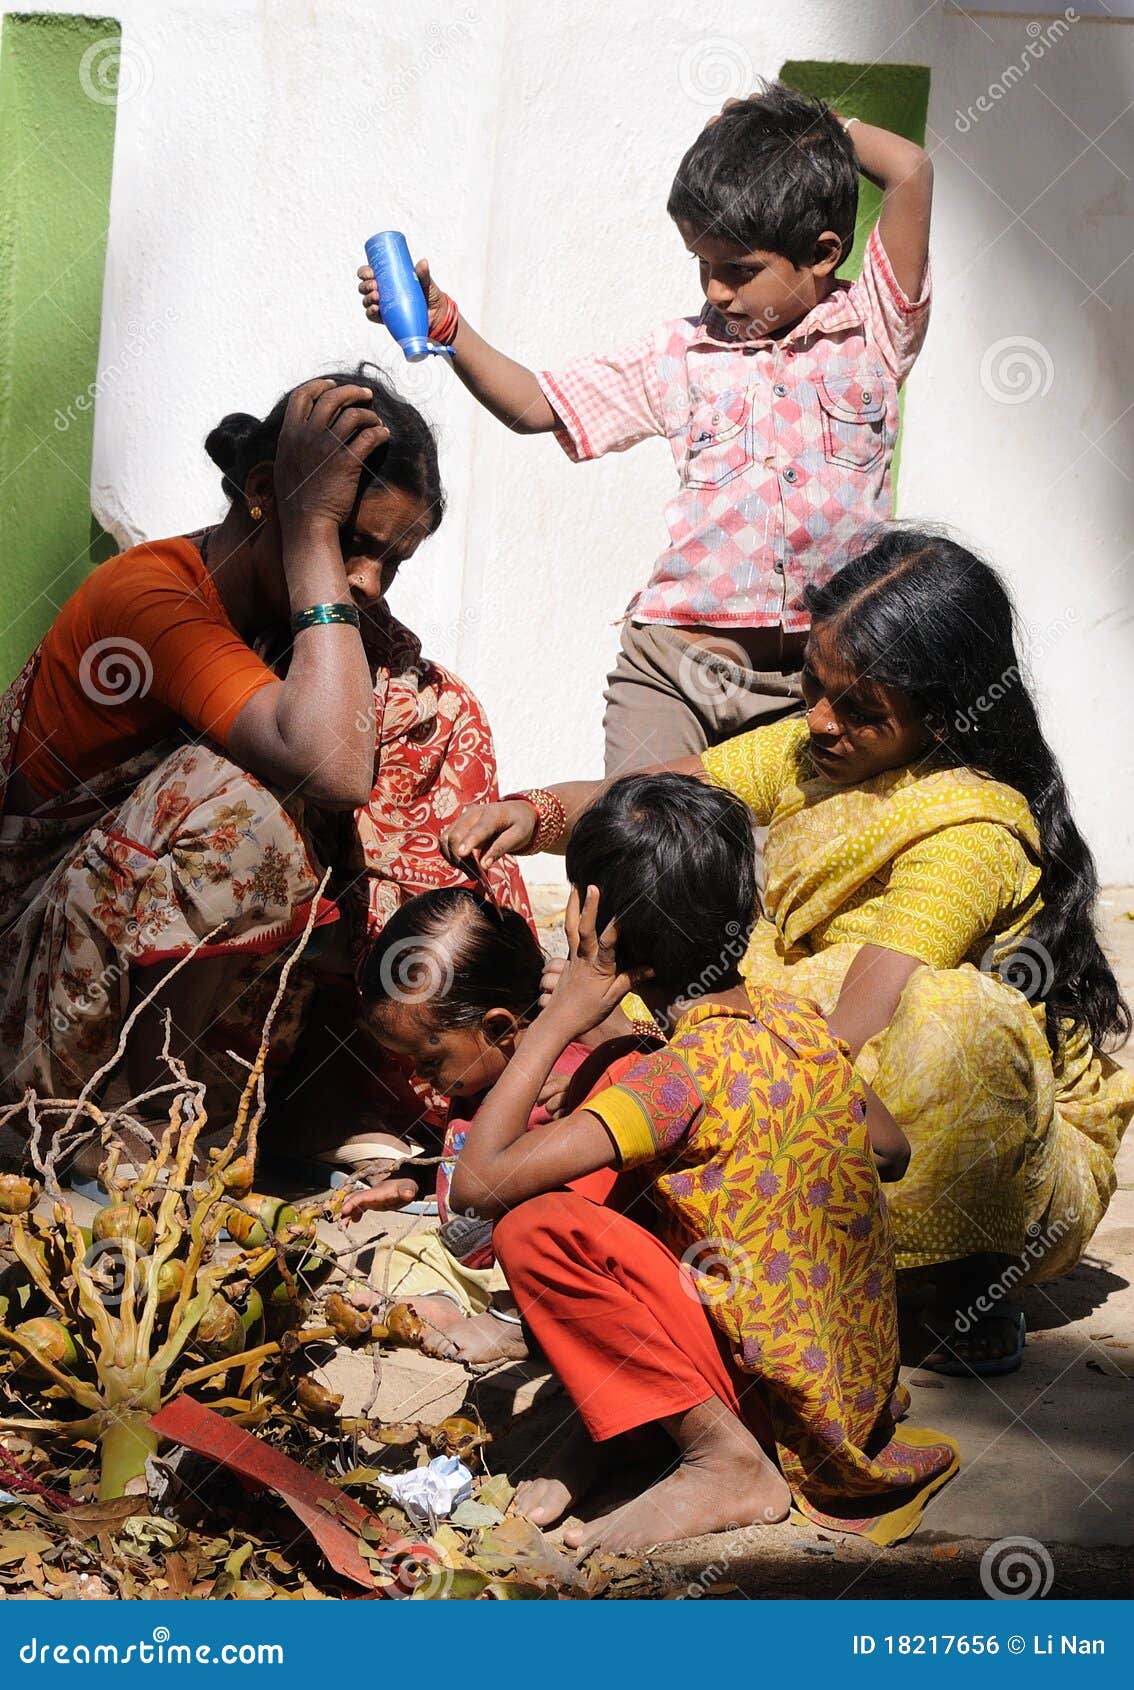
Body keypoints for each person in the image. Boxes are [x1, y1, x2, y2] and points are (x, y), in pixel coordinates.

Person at [442, 528, 1134, 1377]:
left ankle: (957, 1287)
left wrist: (680, 1053)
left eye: (859, 710)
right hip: (815, 1056)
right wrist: (538, 812)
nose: (819, 721)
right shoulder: (822, 745)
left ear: (945, 714)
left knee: (952, 1017)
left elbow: (850, 1025)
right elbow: (667, 798)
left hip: (936, 1123)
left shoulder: (972, 831)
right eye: (814, 688)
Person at [0, 367, 529, 1161]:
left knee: (428, 707)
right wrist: (312, 528)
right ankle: (138, 1118)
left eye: (394, 562)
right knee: (247, 804)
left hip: (202, 991)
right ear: (260, 493)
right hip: (38, 984)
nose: (368, 585)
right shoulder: (149, 599)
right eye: (353, 545)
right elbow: (335, 767)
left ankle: (406, 1070)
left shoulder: (303, 623)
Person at [446, 774, 958, 1553]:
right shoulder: (797, 1022)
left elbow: (479, 1188)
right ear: (745, 913)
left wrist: (558, 1020)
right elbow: (890, 1149)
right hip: (850, 1394)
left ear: (599, 937)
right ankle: (620, 1423)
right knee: (624, 1092)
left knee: (537, 1229)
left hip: (784, 1416)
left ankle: (723, 1461)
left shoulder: (674, 1082)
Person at [358, 82, 933, 773]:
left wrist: (800, 125)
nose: (716, 290)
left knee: (772, 870)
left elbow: (910, 170)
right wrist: (447, 323)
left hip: (821, 688)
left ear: (823, 252)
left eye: (739, 270)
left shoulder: (875, 330)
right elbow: (537, 404)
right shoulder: (678, 355)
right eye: (702, 265)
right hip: (673, 672)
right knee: (648, 843)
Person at [341, 887, 657, 1365]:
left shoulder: (563, 1085)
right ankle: (446, 1304)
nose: (417, 1077)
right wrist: (417, 1180)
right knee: (406, 1254)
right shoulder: (477, 1075)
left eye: (428, 1060)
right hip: (476, 1258)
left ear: (497, 1029)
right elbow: (460, 1155)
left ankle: (517, 1320)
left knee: (544, 1261)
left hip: (534, 1263)